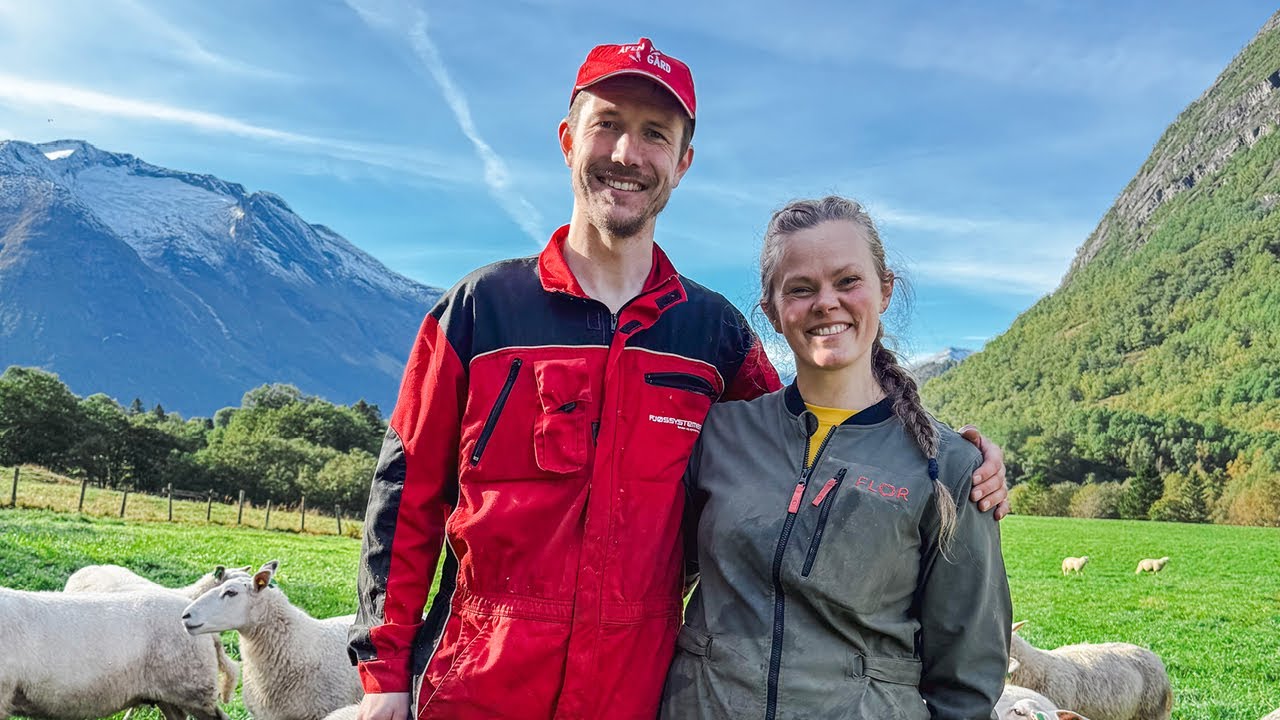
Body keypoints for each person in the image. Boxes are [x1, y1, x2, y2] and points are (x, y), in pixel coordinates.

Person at [348, 40, 1010, 720]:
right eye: (607, 124)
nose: (627, 153)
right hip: (476, 686)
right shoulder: (481, 311)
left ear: (683, 162)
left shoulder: (713, 336)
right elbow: (407, 495)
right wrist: (384, 677)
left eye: (655, 134)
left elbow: (809, 433)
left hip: (635, 692)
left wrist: (949, 457)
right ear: (567, 139)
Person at [660, 196, 1012, 720]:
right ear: (772, 313)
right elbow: (651, 572)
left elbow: (967, 681)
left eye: (848, 281)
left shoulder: (952, 469)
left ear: (885, 291)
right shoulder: (719, 434)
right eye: (801, 288)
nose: (826, 303)